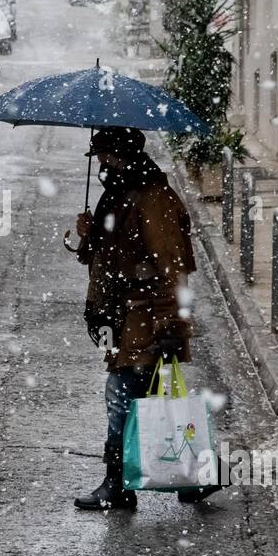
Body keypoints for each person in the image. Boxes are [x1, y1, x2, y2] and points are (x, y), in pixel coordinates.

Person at [71, 126, 196, 511]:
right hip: (121, 317)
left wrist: (170, 327)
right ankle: (195, 475)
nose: (102, 164)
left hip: (145, 318)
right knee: (143, 399)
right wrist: (90, 236)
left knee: (122, 397)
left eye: (105, 155)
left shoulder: (151, 197)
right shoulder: (121, 195)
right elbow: (112, 259)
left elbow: (173, 266)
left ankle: (118, 484)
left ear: (121, 154)